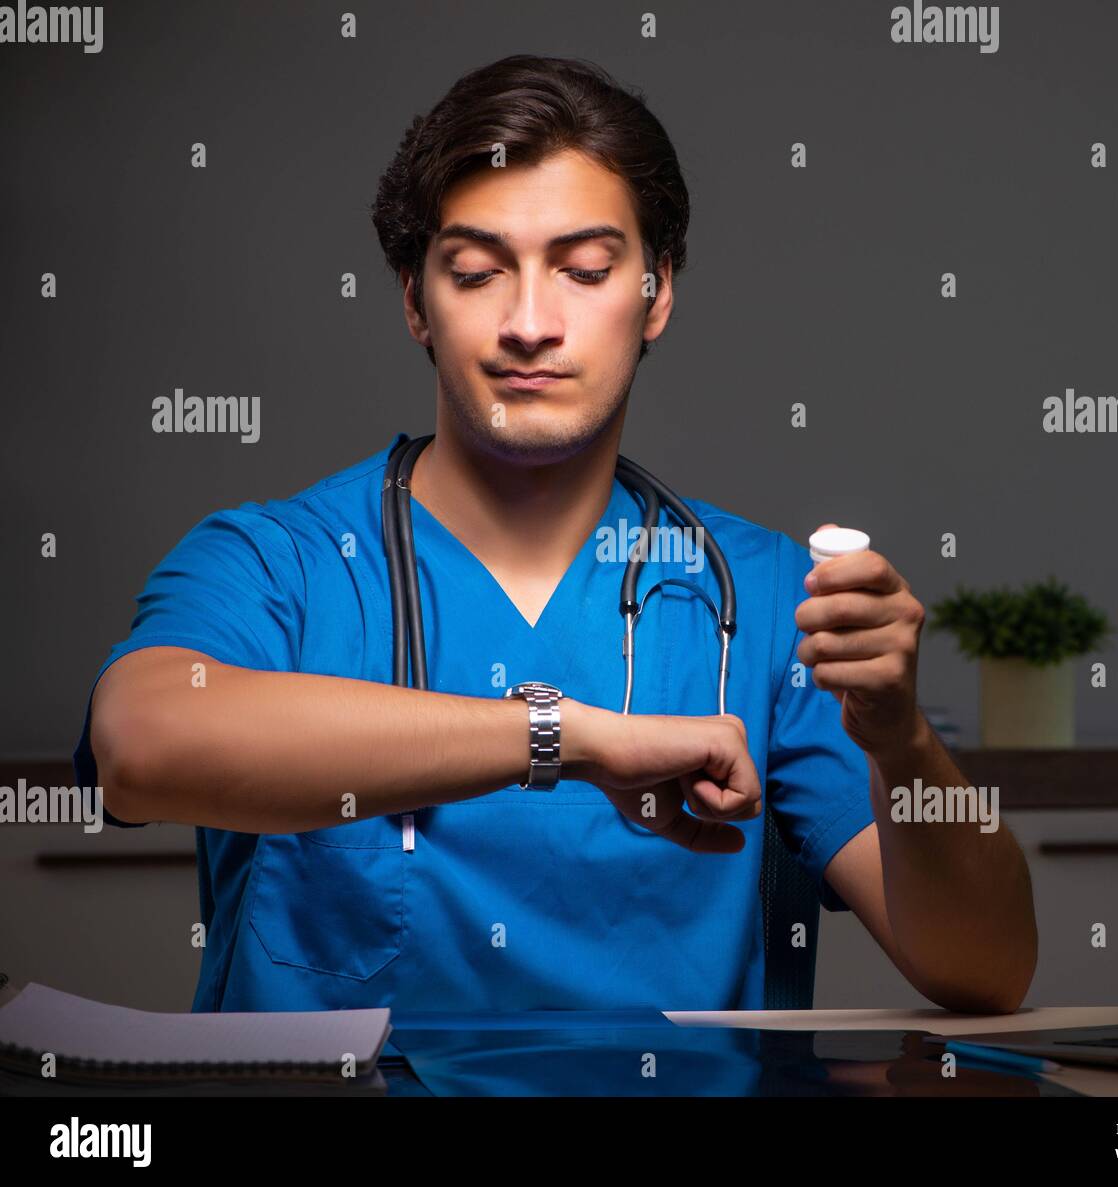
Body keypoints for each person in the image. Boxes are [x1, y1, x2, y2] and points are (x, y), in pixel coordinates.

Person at [74, 54, 1036, 1014]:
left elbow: (984, 969)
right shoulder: (275, 564)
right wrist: (562, 736)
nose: (530, 322)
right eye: (477, 272)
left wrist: (902, 739)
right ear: (416, 300)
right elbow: (139, 743)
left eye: (584, 270)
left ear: (656, 293)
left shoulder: (766, 600)